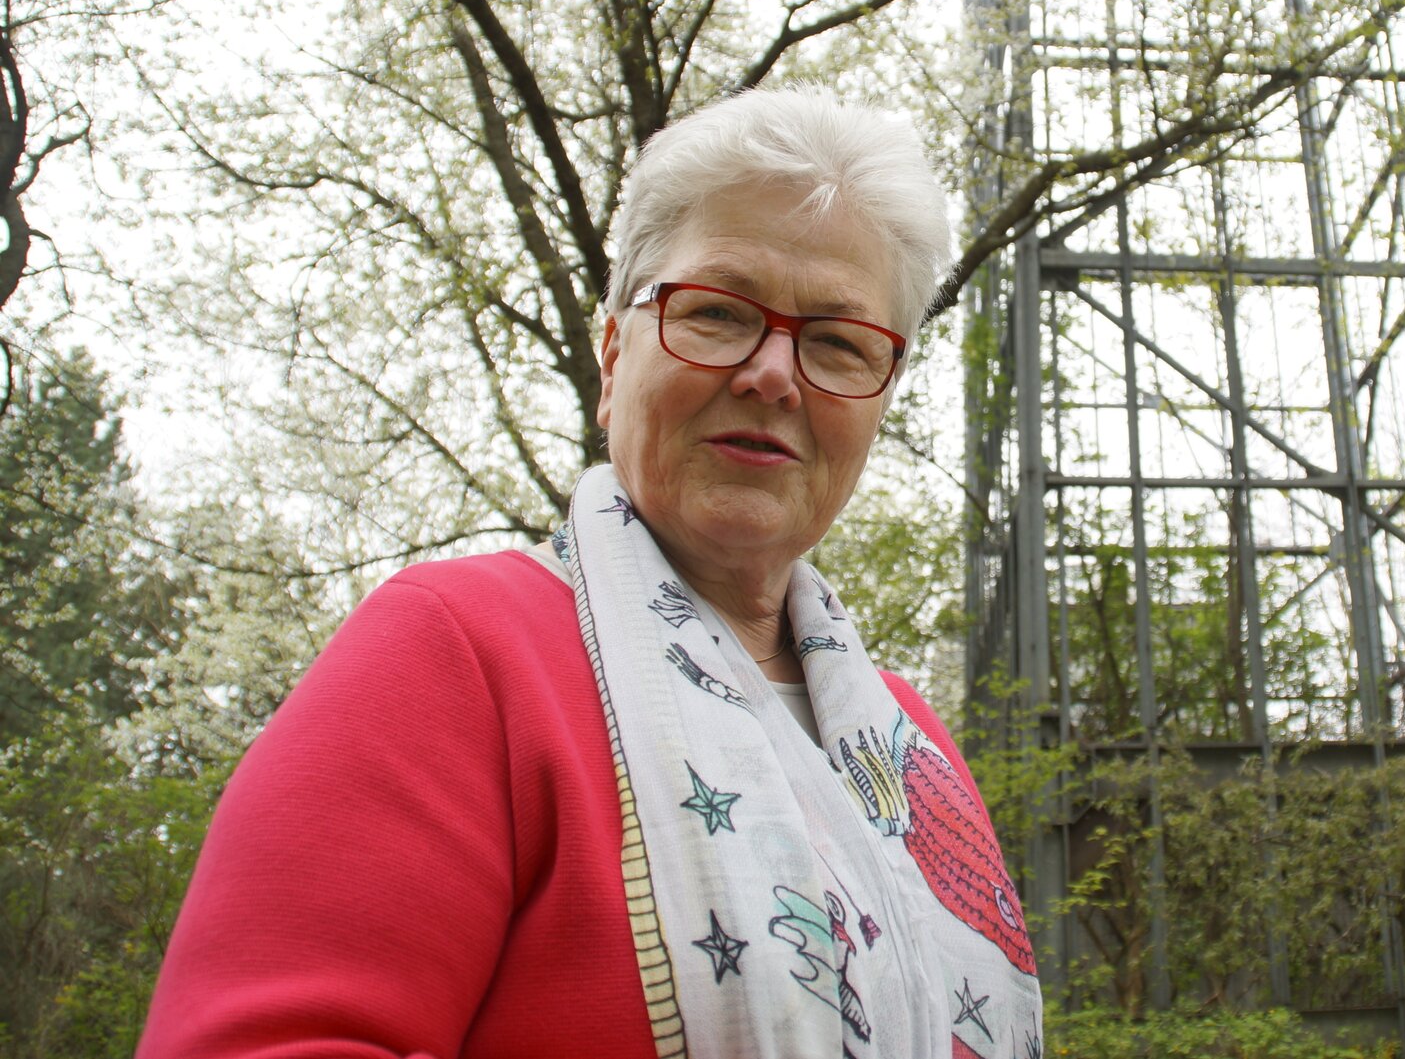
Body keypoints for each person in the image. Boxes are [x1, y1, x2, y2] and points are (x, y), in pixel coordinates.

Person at [138, 89, 1042, 1059]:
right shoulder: (457, 652)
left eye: (837, 342)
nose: (774, 374)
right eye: (716, 312)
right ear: (613, 358)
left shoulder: (908, 744)